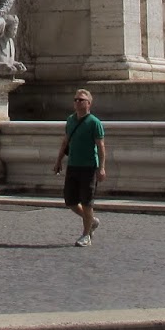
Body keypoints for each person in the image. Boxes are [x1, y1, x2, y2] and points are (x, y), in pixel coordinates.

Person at [51, 88, 107, 246]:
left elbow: (101, 146)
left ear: (89, 103)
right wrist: (58, 161)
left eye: (81, 100)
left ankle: (86, 235)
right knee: (70, 201)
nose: (77, 102)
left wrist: (101, 168)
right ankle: (91, 221)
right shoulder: (70, 120)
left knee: (87, 201)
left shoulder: (94, 122)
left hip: (89, 167)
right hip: (73, 165)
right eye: (75, 99)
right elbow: (65, 141)